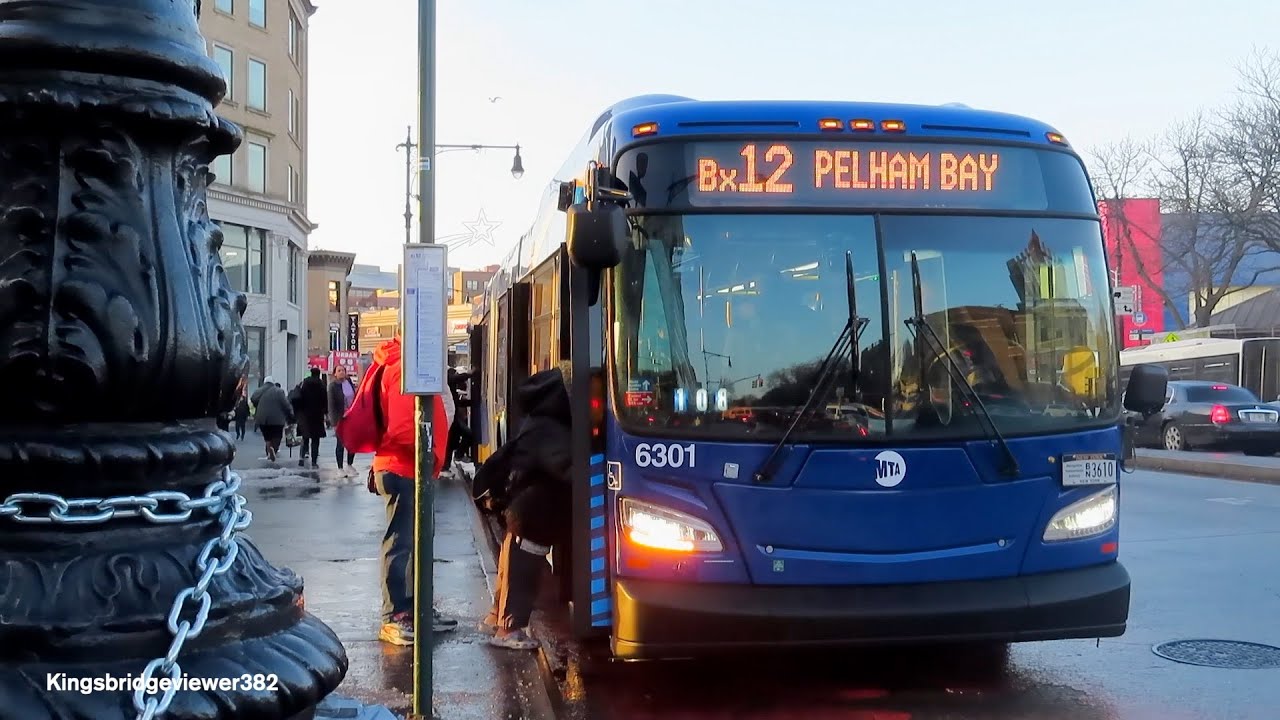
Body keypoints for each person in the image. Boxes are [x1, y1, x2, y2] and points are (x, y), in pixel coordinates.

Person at [472, 363, 573, 650]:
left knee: (510, 568)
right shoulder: (552, 428)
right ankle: (510, 630)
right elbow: (568, 468)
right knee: (522, 573)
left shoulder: (542, 421)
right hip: (532, 515)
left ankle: (497, 619)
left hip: (525, 512)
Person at [367, 333, 458, 645]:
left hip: (407, 467)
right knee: (402, 542)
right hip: (406, 467)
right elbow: (407, 426)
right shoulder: (405, 369)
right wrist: (429, 454)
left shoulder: (401, 366)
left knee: (416, 542)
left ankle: (416, 610)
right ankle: (395, 615)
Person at [251, 378, 292, 462]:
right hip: (277, 418)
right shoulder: (279, 391)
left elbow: (253, 399)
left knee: (267, 436)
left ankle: (269, 448)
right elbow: (286, 405)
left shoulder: (259, 391)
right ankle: (273, 449)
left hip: (262, 418)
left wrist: (258, 406)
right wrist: (291, 416)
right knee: (277, 436)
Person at [294, 368, 328, 469]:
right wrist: (325, 413)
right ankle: (314, 461)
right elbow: (325, 400)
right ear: (319, 374)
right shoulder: (321, 385)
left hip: (305, 414)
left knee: (305, 437)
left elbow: (299, 398)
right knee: (315, 440)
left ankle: (301, 457)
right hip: (317, 415)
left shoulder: (304, 383)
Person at [444, 366, 475, 476]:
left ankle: (450, 462)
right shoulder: (445, 378)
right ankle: (449, 463)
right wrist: (469, 374)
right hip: (449, 416)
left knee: (451, 442)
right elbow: (453, 379)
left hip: (452, 416)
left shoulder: (450, 387)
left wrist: (470, 402)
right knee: (452, 441)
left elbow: (456, 402)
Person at [327, 365, 358, 475]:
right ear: (335, 373)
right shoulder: (333, 386)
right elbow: (331, 405)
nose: (341, 372)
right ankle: (340, 468)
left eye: (343, 370)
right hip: (340, 418)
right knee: (340, 443)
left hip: (351, 417)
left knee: (352, 442)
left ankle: (350, 465)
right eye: (339, 370)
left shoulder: (348, 382)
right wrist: (334, 421)